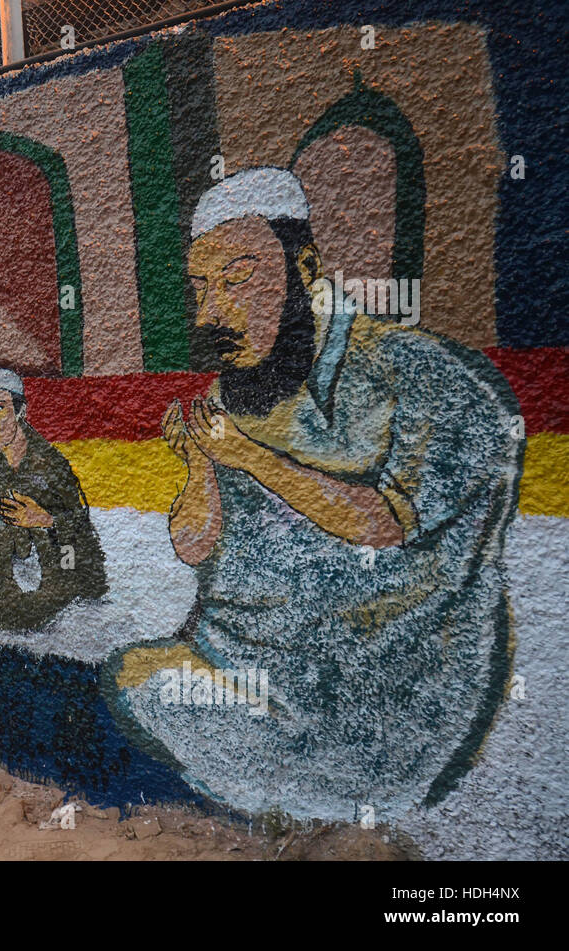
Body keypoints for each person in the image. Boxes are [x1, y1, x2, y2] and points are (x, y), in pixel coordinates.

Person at [105, 167, 522, 820]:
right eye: (201, 286)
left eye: (238, 278)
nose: (211, 311)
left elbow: (380, 522)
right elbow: (191, 543)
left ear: (305, 268)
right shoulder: (232, 397)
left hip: (364, 734)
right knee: (122, 676)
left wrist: (246, 455)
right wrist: (200, 462)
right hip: (234, 681)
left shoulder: (419, 377)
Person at [0, 368, 106, 630]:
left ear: (21, 412)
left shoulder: (51, 466)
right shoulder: (0, 466)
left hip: (65, 563)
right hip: (26, 567)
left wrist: (45, 519)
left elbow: (81, 531)